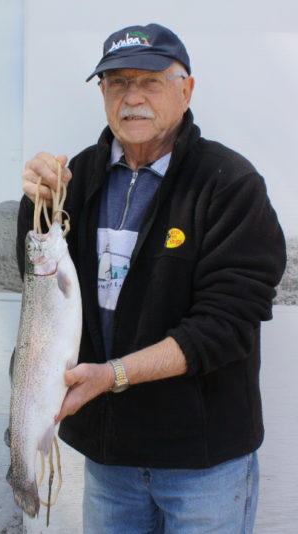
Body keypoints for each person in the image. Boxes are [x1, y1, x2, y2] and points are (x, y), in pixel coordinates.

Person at [17, 23, 286, 533]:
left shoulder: (231, 185)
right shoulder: (77, 178)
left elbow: (224, 327)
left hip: (205, 463)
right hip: (110, 458)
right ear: (102, 93)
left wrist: (112, 374)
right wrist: (34, 206)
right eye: (117, 83)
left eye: (151, 81)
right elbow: (37, 282)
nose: (132, 97)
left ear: (186, 89)